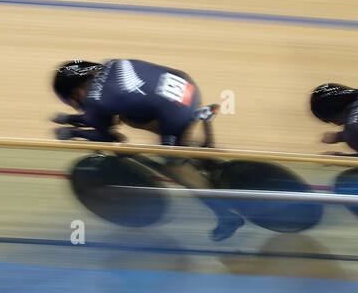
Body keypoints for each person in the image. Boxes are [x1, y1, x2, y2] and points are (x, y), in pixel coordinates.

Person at [51, 59, 244, 241]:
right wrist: (70, 120)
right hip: (186, 88)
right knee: (131, 117)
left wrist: (73, 133)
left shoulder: (94, 103)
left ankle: (227, 216)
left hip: (175, 113)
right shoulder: (113, 63)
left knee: (174, 167)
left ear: (75, 94)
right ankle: (195, 139)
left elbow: (108, 138)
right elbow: (111, 110)